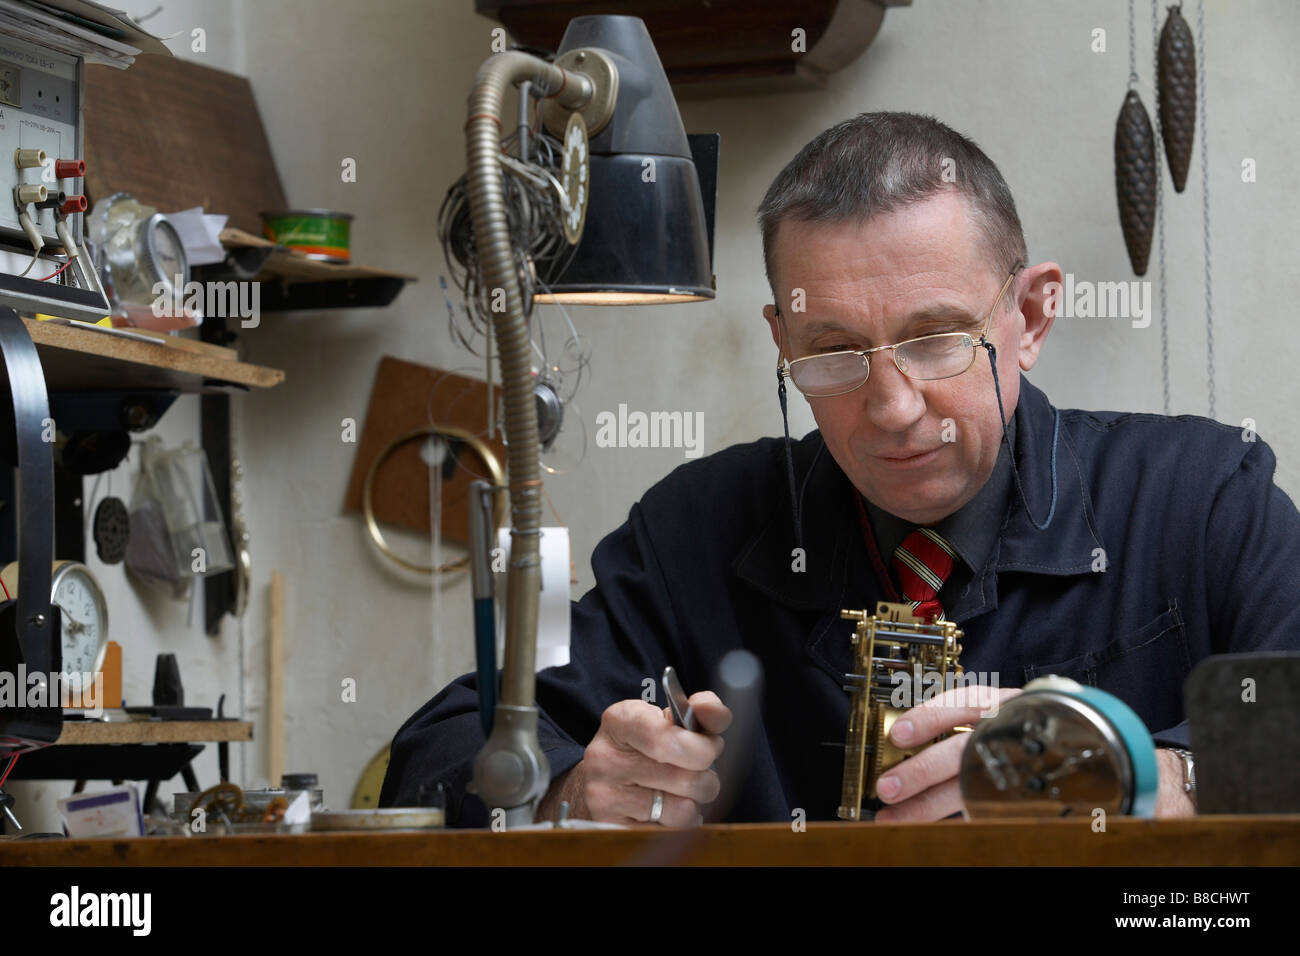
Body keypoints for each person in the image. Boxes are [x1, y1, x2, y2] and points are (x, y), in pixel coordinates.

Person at [381, 111, 1300, 826]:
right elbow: (443, 742)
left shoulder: (1203, 496)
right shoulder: (698, 530)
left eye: (937, 341)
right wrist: (571, 792)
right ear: (779, 338)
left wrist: (1155, 776)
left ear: (1032, 316)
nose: (893, 409)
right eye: (832, 352)